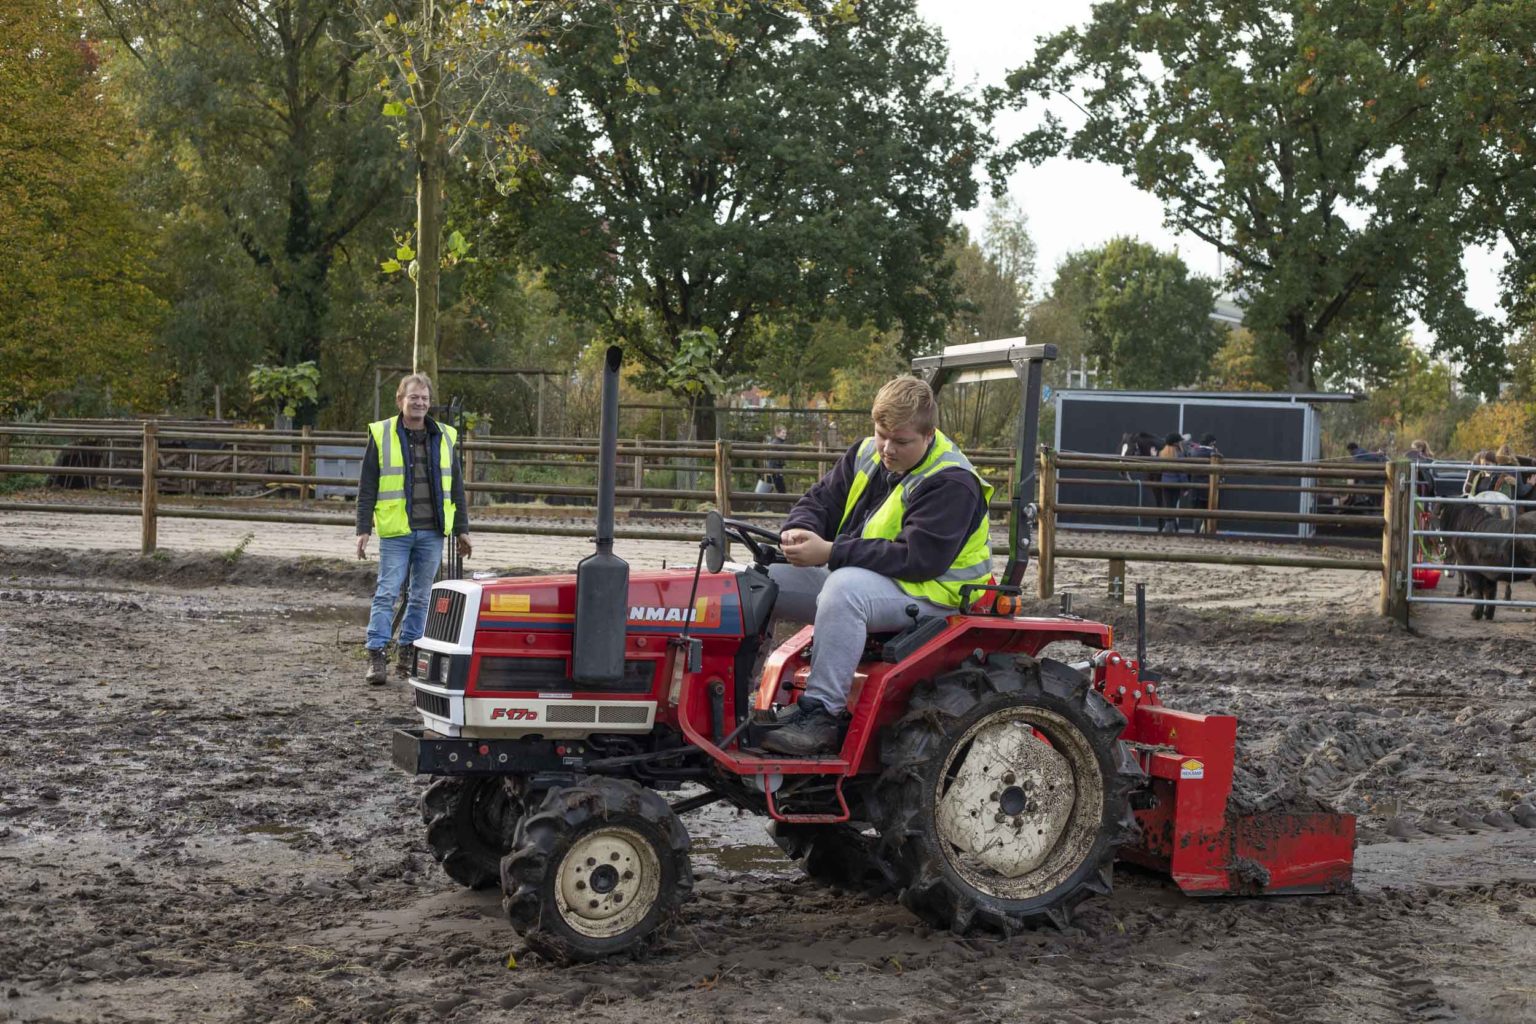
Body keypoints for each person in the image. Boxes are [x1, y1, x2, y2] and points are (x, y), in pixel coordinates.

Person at [758, 377, 993, 756]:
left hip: (933, 593)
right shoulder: (866, 453)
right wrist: (799, 529)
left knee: (845, 591)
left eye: (901, 441)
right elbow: (820, 500)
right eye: (882, 434)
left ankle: (822, 714)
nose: (887, 448)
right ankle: (735, 700)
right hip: (873, 577)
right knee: (758, 582)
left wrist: (832, 552)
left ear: (929, 434)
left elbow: (917, 560)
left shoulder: (952, 482)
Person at [355, 373, 472, 685]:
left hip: (432, 531)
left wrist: (462, 528)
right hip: (396, 531)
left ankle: (408, 651)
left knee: (421, 596)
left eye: (424, 398)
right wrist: (363, 527)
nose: (419, 403)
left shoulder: (445, 436)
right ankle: (376, 654)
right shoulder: (382, 434)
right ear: (400, 400)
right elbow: (367, 485)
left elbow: (456, 486)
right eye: (413, 398)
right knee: (387, 593)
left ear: (429, 402)